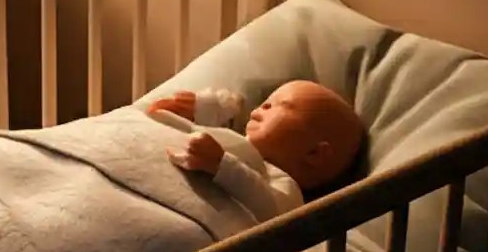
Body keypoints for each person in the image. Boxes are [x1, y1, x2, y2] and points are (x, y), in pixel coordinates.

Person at [147, 81, 365, 222]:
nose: (265, 105)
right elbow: (217, 132)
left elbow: (270, 210)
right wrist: (197, 109)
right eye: (267, 101)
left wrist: (222, 165)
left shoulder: (283, 185)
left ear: (314, 154)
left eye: (283, 105)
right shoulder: (236, 142)